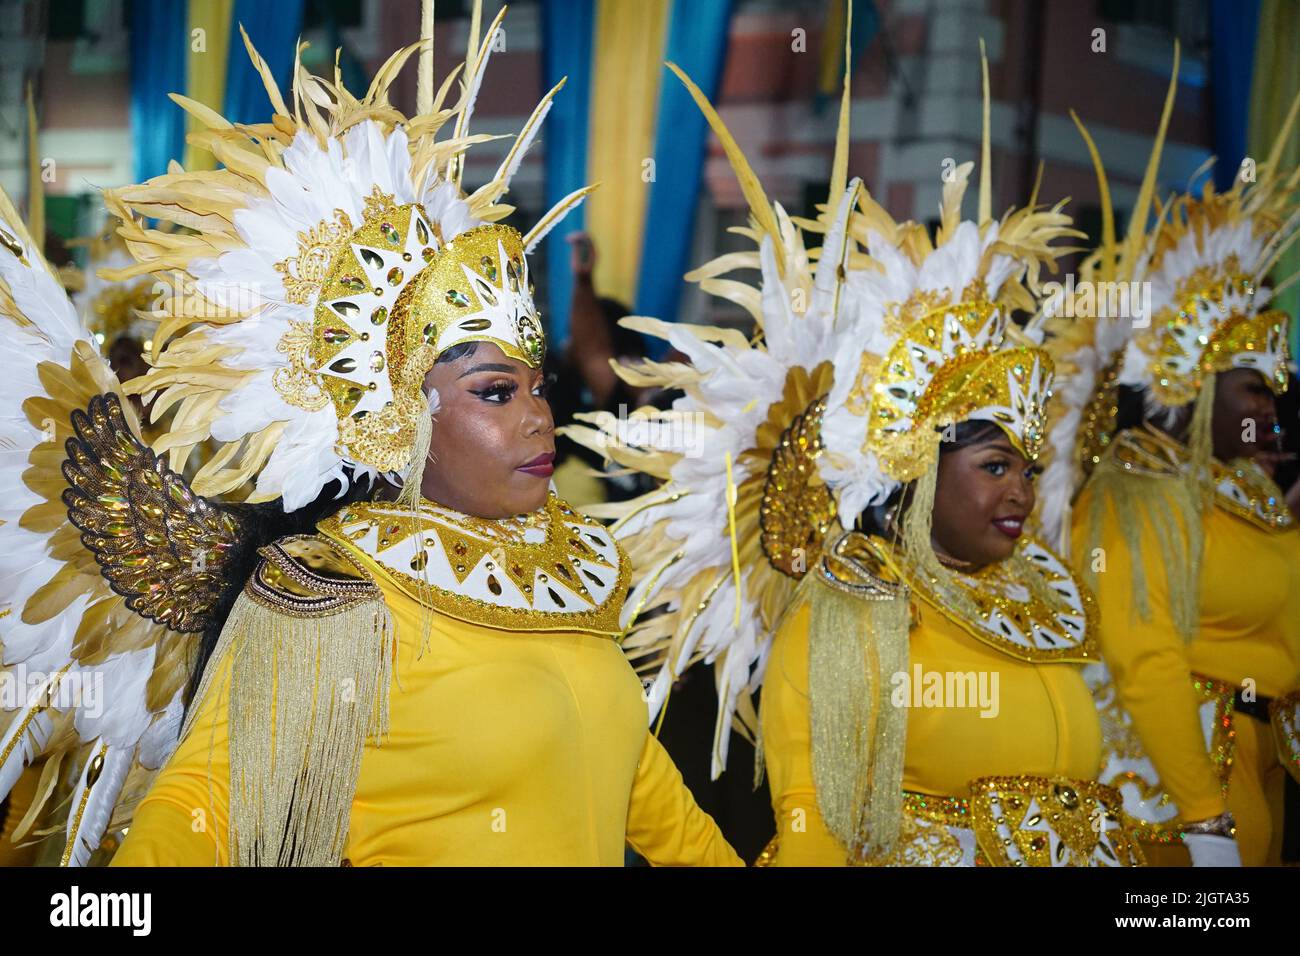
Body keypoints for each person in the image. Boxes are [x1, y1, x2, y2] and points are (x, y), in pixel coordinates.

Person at [0, 7, 739, 868]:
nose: (539, 416)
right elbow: (202, 807)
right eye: (495, 392)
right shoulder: (334, 601)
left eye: (541, 388)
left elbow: (644, 792)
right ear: (398, 414)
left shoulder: (572, 566)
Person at [566, 55, 1144, 867]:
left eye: (1026, 465)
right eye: (992, 466)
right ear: (915, 467)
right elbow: (814, 818)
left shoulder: (1039, 588)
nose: (1021, 488)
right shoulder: (854, 617)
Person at [1057, 101, 1300, 866]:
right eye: (1254, 387)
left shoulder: (1243, 491)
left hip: (1258, 760)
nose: (1271, 407)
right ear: (1195, 384)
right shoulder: (1132, 495)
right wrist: (1205, 819)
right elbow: (1144, 658)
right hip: (1174, 795)